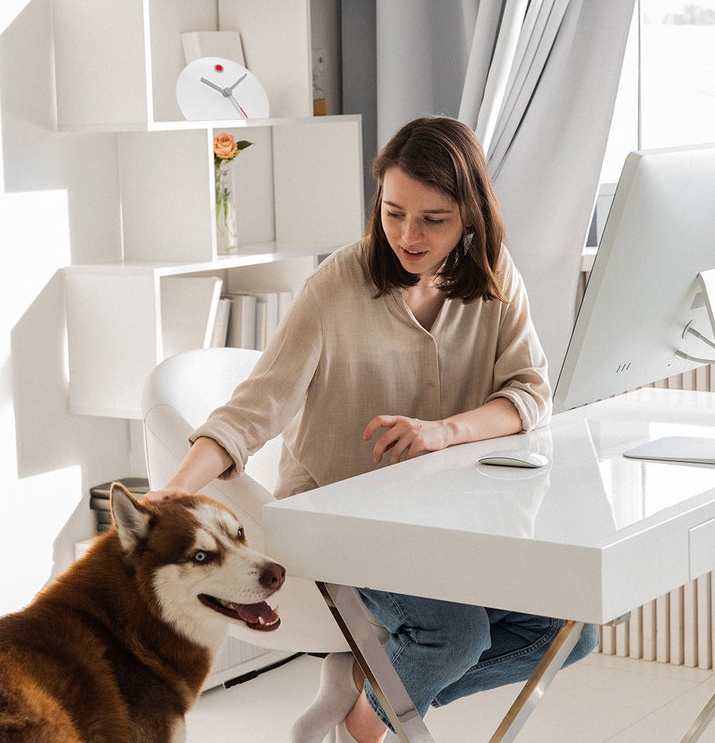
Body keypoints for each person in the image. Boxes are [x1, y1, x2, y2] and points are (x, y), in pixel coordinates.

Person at [146, 116, 598, 743]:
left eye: (433, 219)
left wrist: (444, 432)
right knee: (457, 635)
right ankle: (374, 720)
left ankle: (366, 694)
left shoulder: (493, 276)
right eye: (393, 212)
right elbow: (252, 411)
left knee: (569, 629)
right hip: (339, 525)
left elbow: (529, 393)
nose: (408, 235)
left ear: (470, 214)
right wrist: (172, 490)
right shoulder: (336, 285)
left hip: (445, 517)